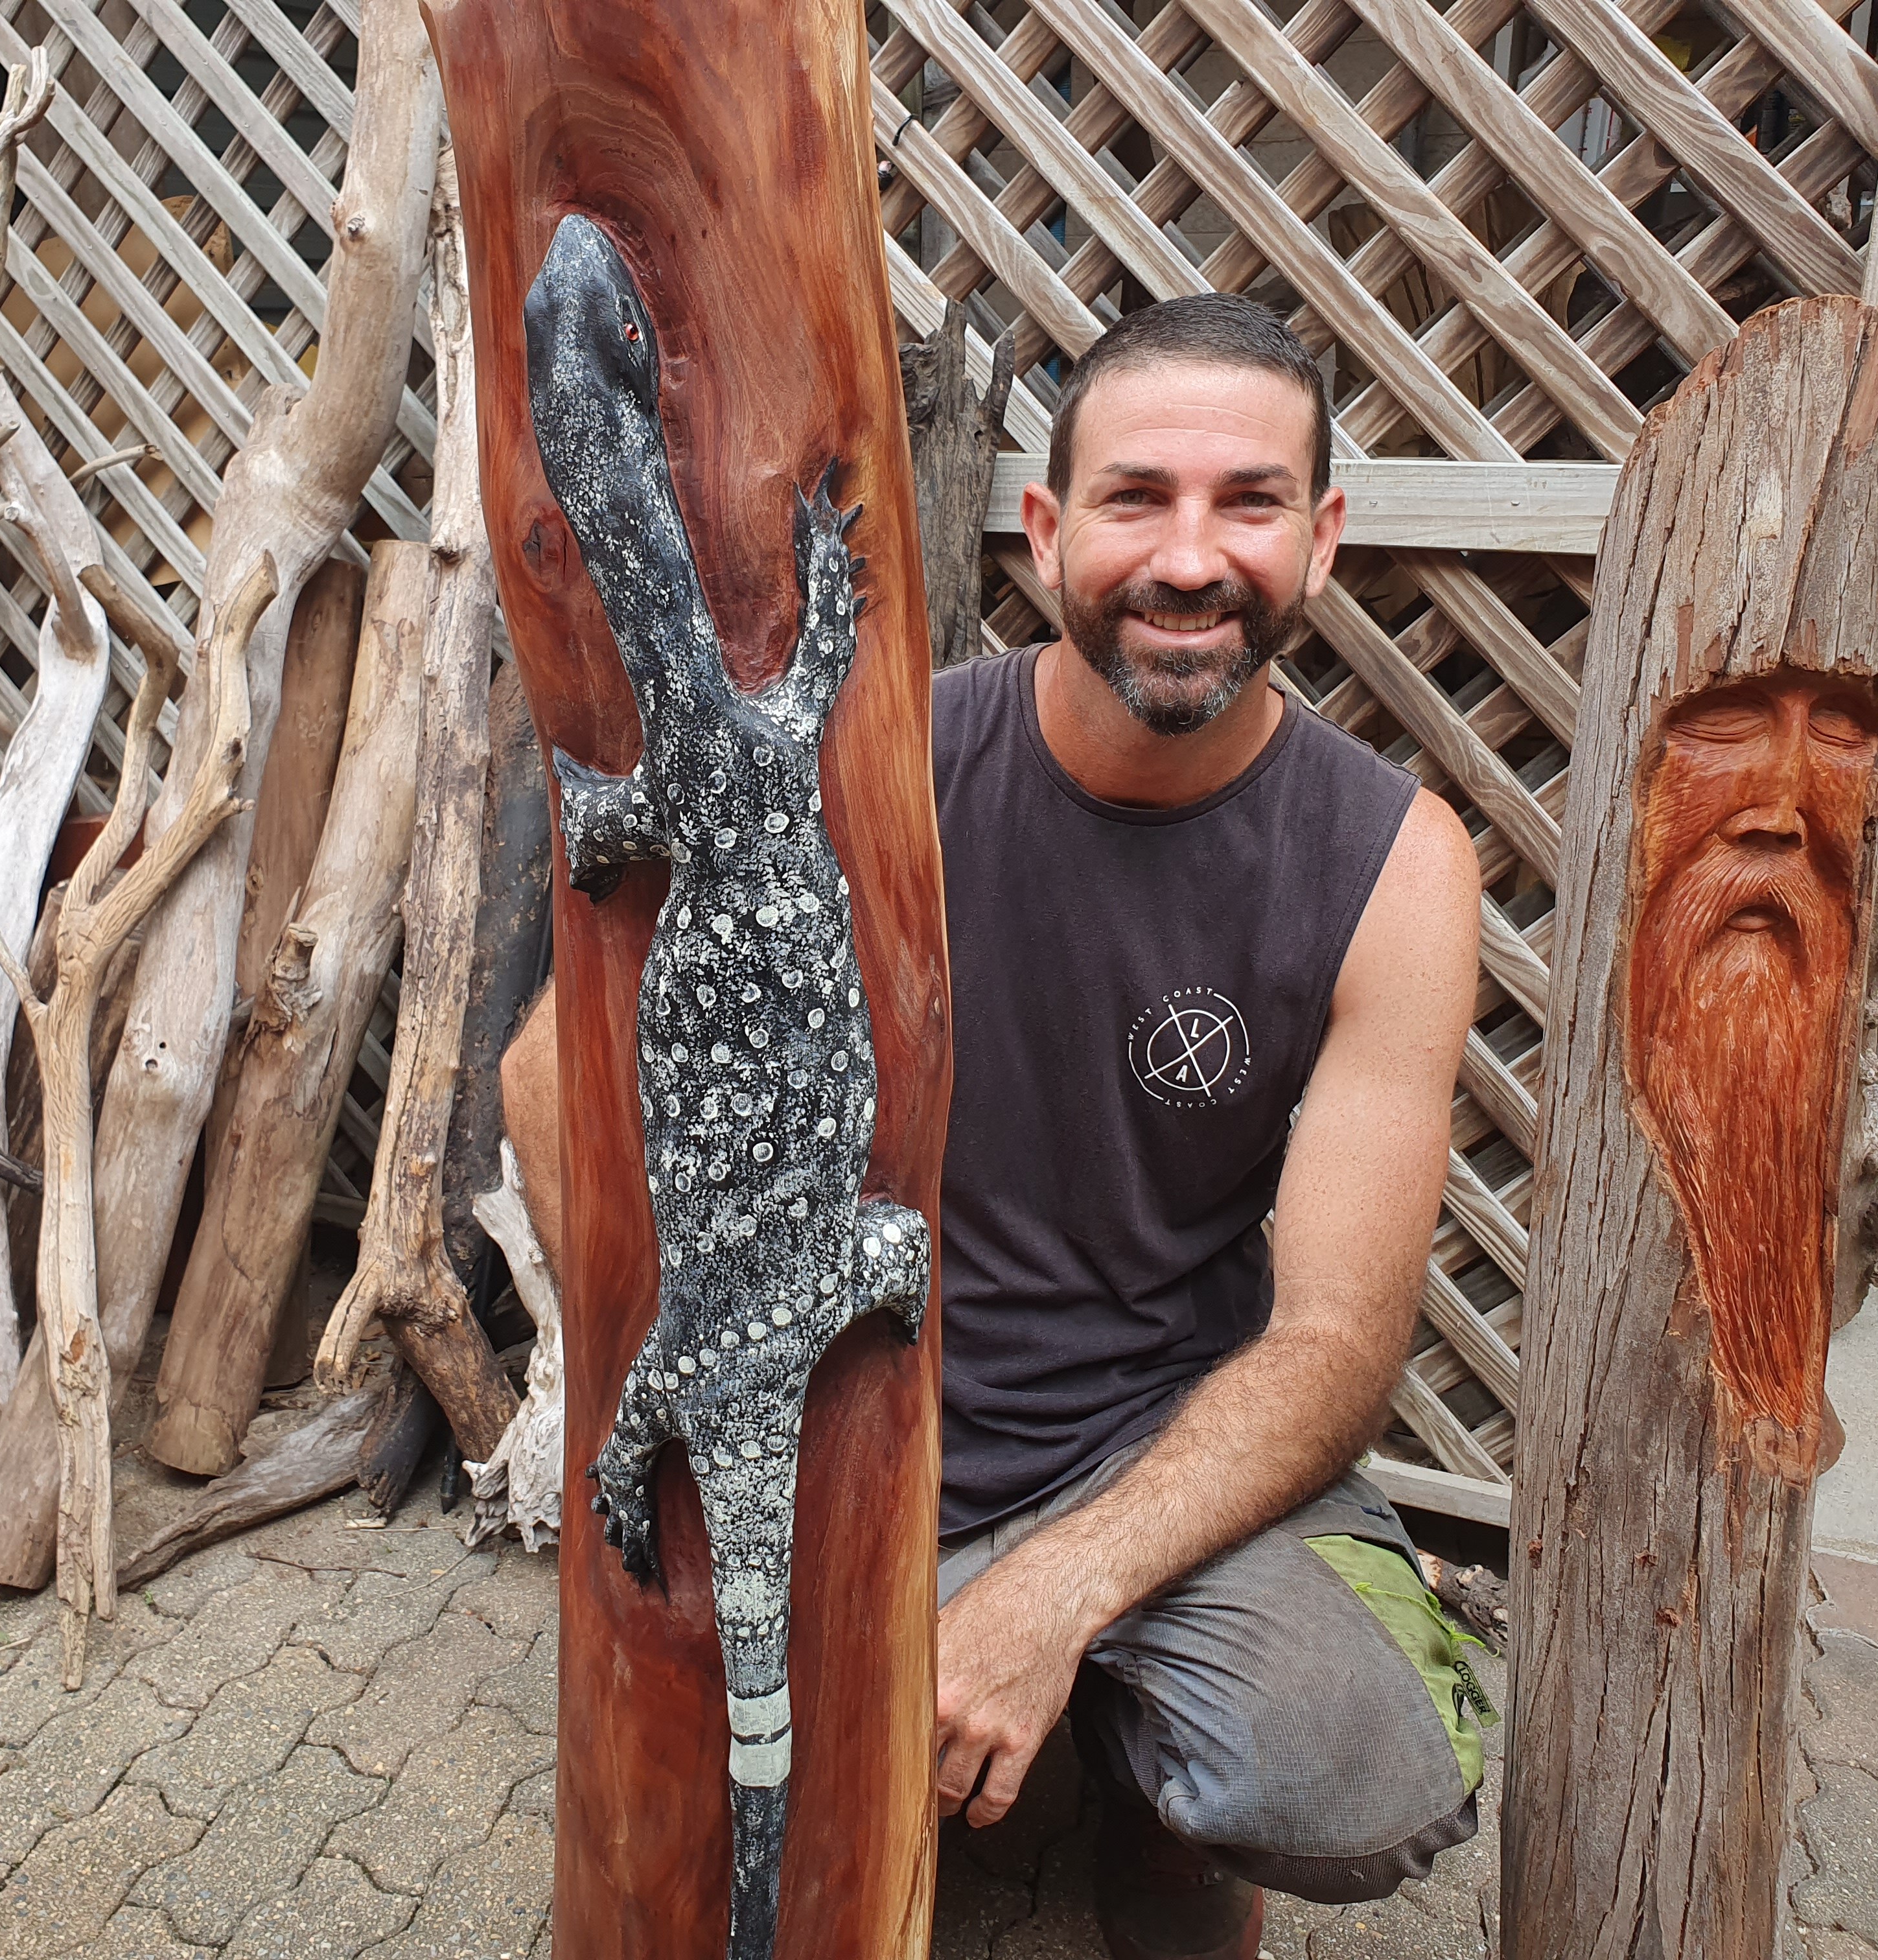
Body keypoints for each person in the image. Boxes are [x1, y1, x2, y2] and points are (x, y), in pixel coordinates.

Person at [498, 294, 1487, 1960]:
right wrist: (689, 1344)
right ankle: (954, 1724)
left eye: (1248, 502)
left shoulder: (1393, 860)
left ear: (1320, 540)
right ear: (1043, 531)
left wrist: (1058, 1594)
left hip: (1158, 1434)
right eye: (1133, 499)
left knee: (1348, 1766)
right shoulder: (880, 765)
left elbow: (1335, 1340)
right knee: (722, 1829)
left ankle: (1122, 1747)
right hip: (864, 1413)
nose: (1190, 558)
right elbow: (546, 1079)